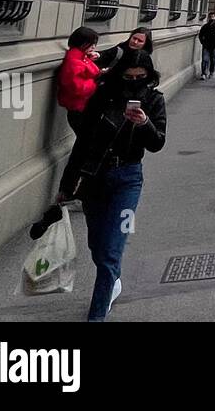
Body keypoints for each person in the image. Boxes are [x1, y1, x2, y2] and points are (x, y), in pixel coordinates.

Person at [56, 48, 166, 322]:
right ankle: (113, 281)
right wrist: (67, 185)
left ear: (148, 76)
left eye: (140, 76)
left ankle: (96, 315)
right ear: (120, 75)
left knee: (112, 249)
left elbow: (157, 143)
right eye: (128, 76)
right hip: (95, 178)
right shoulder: (103, 97)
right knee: (97, 245)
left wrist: (144, 124)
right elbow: (82, 144)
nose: (134, 81)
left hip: (128, 179)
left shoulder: (153, 100)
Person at [57, 27, 102, 132]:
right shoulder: (74, 61)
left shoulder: (81, 57)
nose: (93, 47)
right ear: (81, 43)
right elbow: (77, 87)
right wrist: (95, 83)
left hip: (82, 105)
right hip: (79, 107)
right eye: (90, 44)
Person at [198, 14, 215, 80]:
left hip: (214, 45)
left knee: (212, 59)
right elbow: (200, 35)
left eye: (213, 17)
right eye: (211, 17)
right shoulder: (205, 26)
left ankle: (211, 72)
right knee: (205, 59)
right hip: (206, 45)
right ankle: (204, 73)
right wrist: (202, 42)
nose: (212, 18)